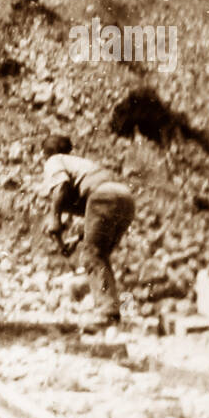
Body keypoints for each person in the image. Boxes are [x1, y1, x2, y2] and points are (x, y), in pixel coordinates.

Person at [40, 136, 135, 329]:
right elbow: (94, 215)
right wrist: (75, 239)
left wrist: (54, 218)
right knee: (100, 254)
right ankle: (112, 313)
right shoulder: (81, 165)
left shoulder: (54, 161)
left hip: (104, 196)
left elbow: (60, 187)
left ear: (45, 154)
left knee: (92, 255)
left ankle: (107, 314)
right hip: (125, 198)